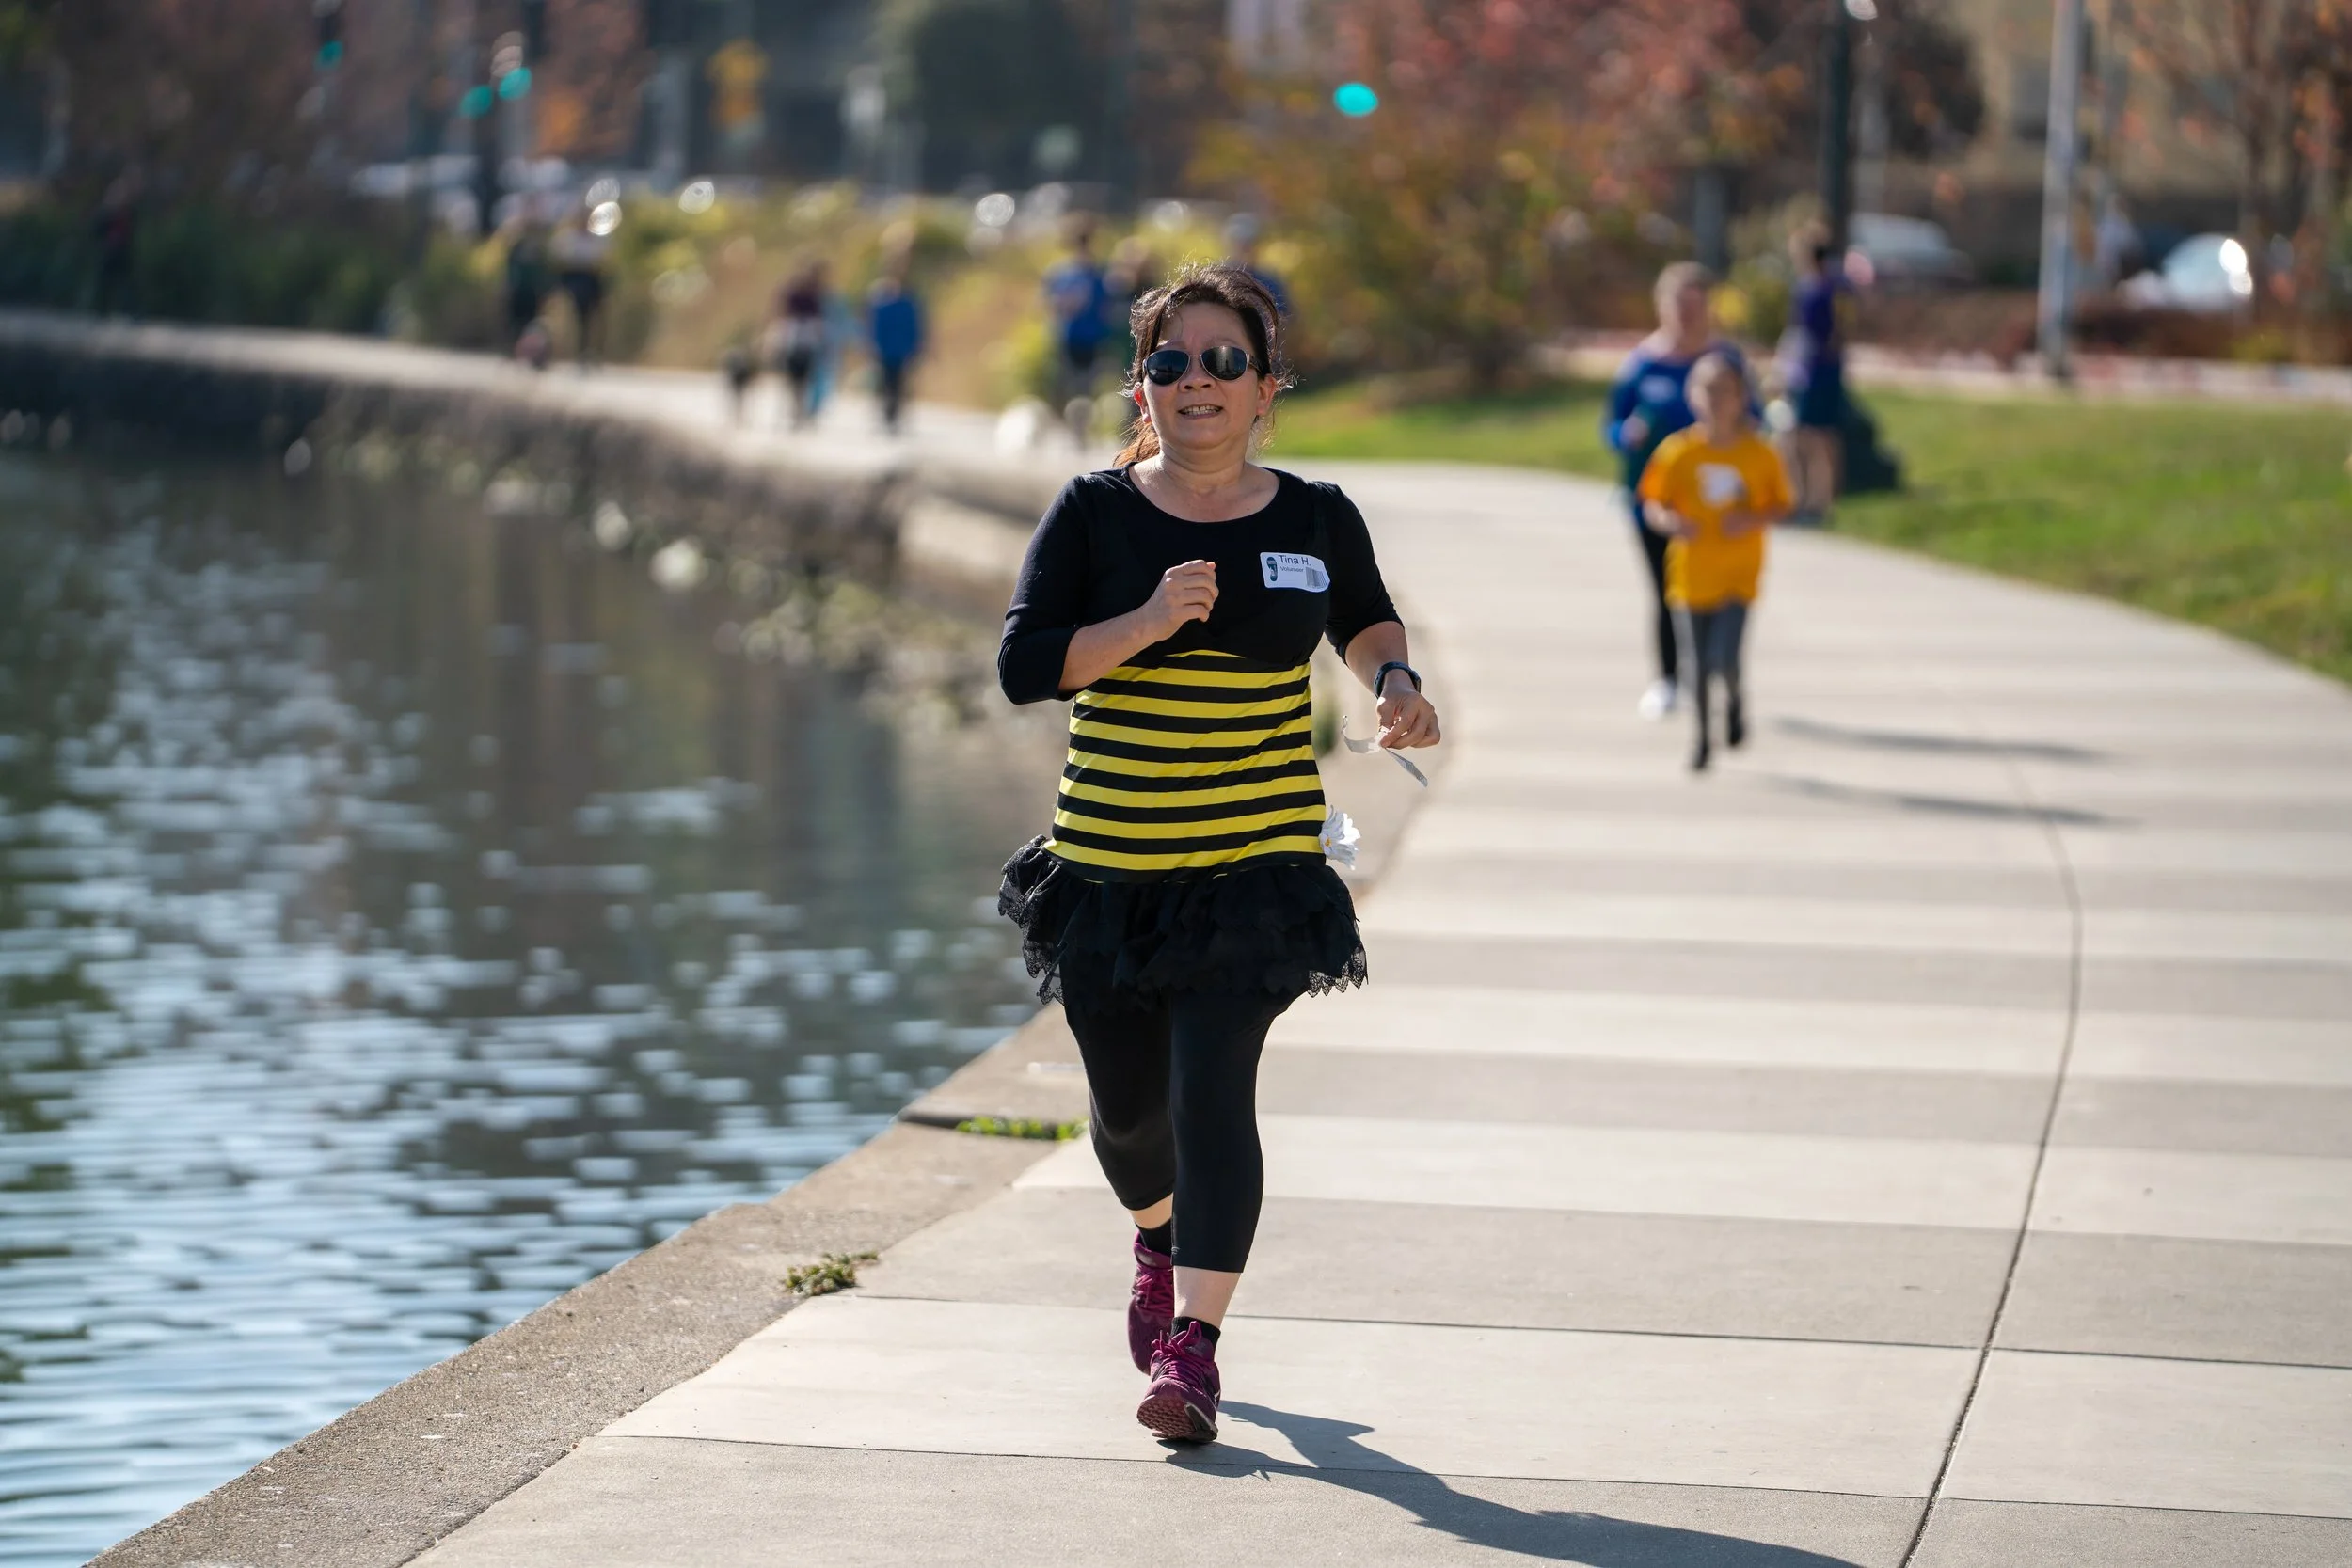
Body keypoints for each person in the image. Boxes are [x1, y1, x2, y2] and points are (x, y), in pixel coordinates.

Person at [995, 264, 1439, 1444]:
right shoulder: (1094, 513)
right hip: (1111, 869)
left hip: (1254, 866)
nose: (1198, 380)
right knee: (1129, 1117)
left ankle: (1192, 1348)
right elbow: (1024, 665)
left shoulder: (1314, 514)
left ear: (1265, 386)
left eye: (1224, 360)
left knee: (1210, 1092)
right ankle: (1155, 1237)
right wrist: (1145, 621)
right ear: (1141, 386)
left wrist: (1394, 679)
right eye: (1172, 361)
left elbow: (1363, 615)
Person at [1602, 262, 1748, 721]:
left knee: (1720, 593)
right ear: (1661, 307)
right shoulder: (1641, 364)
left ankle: (1718, 672)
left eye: (1695, 305)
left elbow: (1754, 418)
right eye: (1678, 305)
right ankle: (1668, 679)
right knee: (1667, 590)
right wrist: (1627, 434)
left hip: (1716, 505)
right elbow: (1612, 427)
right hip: (1654, 501)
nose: (1687, 315)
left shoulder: (1726, 362)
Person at [1638, 354, 1794, 772]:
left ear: (1741, 398)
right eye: (1707, 391)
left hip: (1738, 574)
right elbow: (1652, 502)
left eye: (1725, 391)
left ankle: (1736, 701)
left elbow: (1782, 504)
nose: (1716, 400)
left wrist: (1751, 519)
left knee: (1724, 657)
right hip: (1690, 573)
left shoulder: (1759, 453)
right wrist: (1670, 522)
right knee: (1696, 663)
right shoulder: (1678, 452)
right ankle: (1702, 738)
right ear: (1692, 396)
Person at [1779, 222, 1850, 524]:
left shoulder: (1823, 289)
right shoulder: (1825, 287)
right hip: (1815, 370)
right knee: (1808, 435)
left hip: (1817, 371)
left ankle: (1818, 500)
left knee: (1815, 436)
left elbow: (1823, 334)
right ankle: (1810, 498)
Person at [1042, 222, 1112, 445]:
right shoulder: (1070, 274)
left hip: (1088, 337)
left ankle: (1078, 429)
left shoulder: (1096, 274)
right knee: (1071, 385)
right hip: (1071, 336)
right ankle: (1071, 428)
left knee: (1083, 386)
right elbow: (1050, 303)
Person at [763, 261, 829, 430]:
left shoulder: (813, 295)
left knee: (801, 380)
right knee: (793, 379)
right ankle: (794, 411)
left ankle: (798, 411)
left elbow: (818, 321)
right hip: (794, 340)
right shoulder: (794, 294)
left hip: (804, 341)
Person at [866, 252, 926, 436]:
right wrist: (871, 345)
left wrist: (918, 346)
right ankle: (887, 414)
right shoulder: (881, 301)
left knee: (900, 384)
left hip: (902, 350)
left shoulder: (909, 302)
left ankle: (894, 415)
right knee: (886, 383)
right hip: (885, 350)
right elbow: (874, 326)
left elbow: (916, 326)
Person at [550, 211, 612, 365]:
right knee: (579, 317)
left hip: (592, 279)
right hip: (574, 279)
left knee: (596, 317)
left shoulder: (597, 238)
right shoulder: (567, 238)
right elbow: (561, 260)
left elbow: (601, 260)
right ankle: (578, 351)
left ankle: (594, 351)